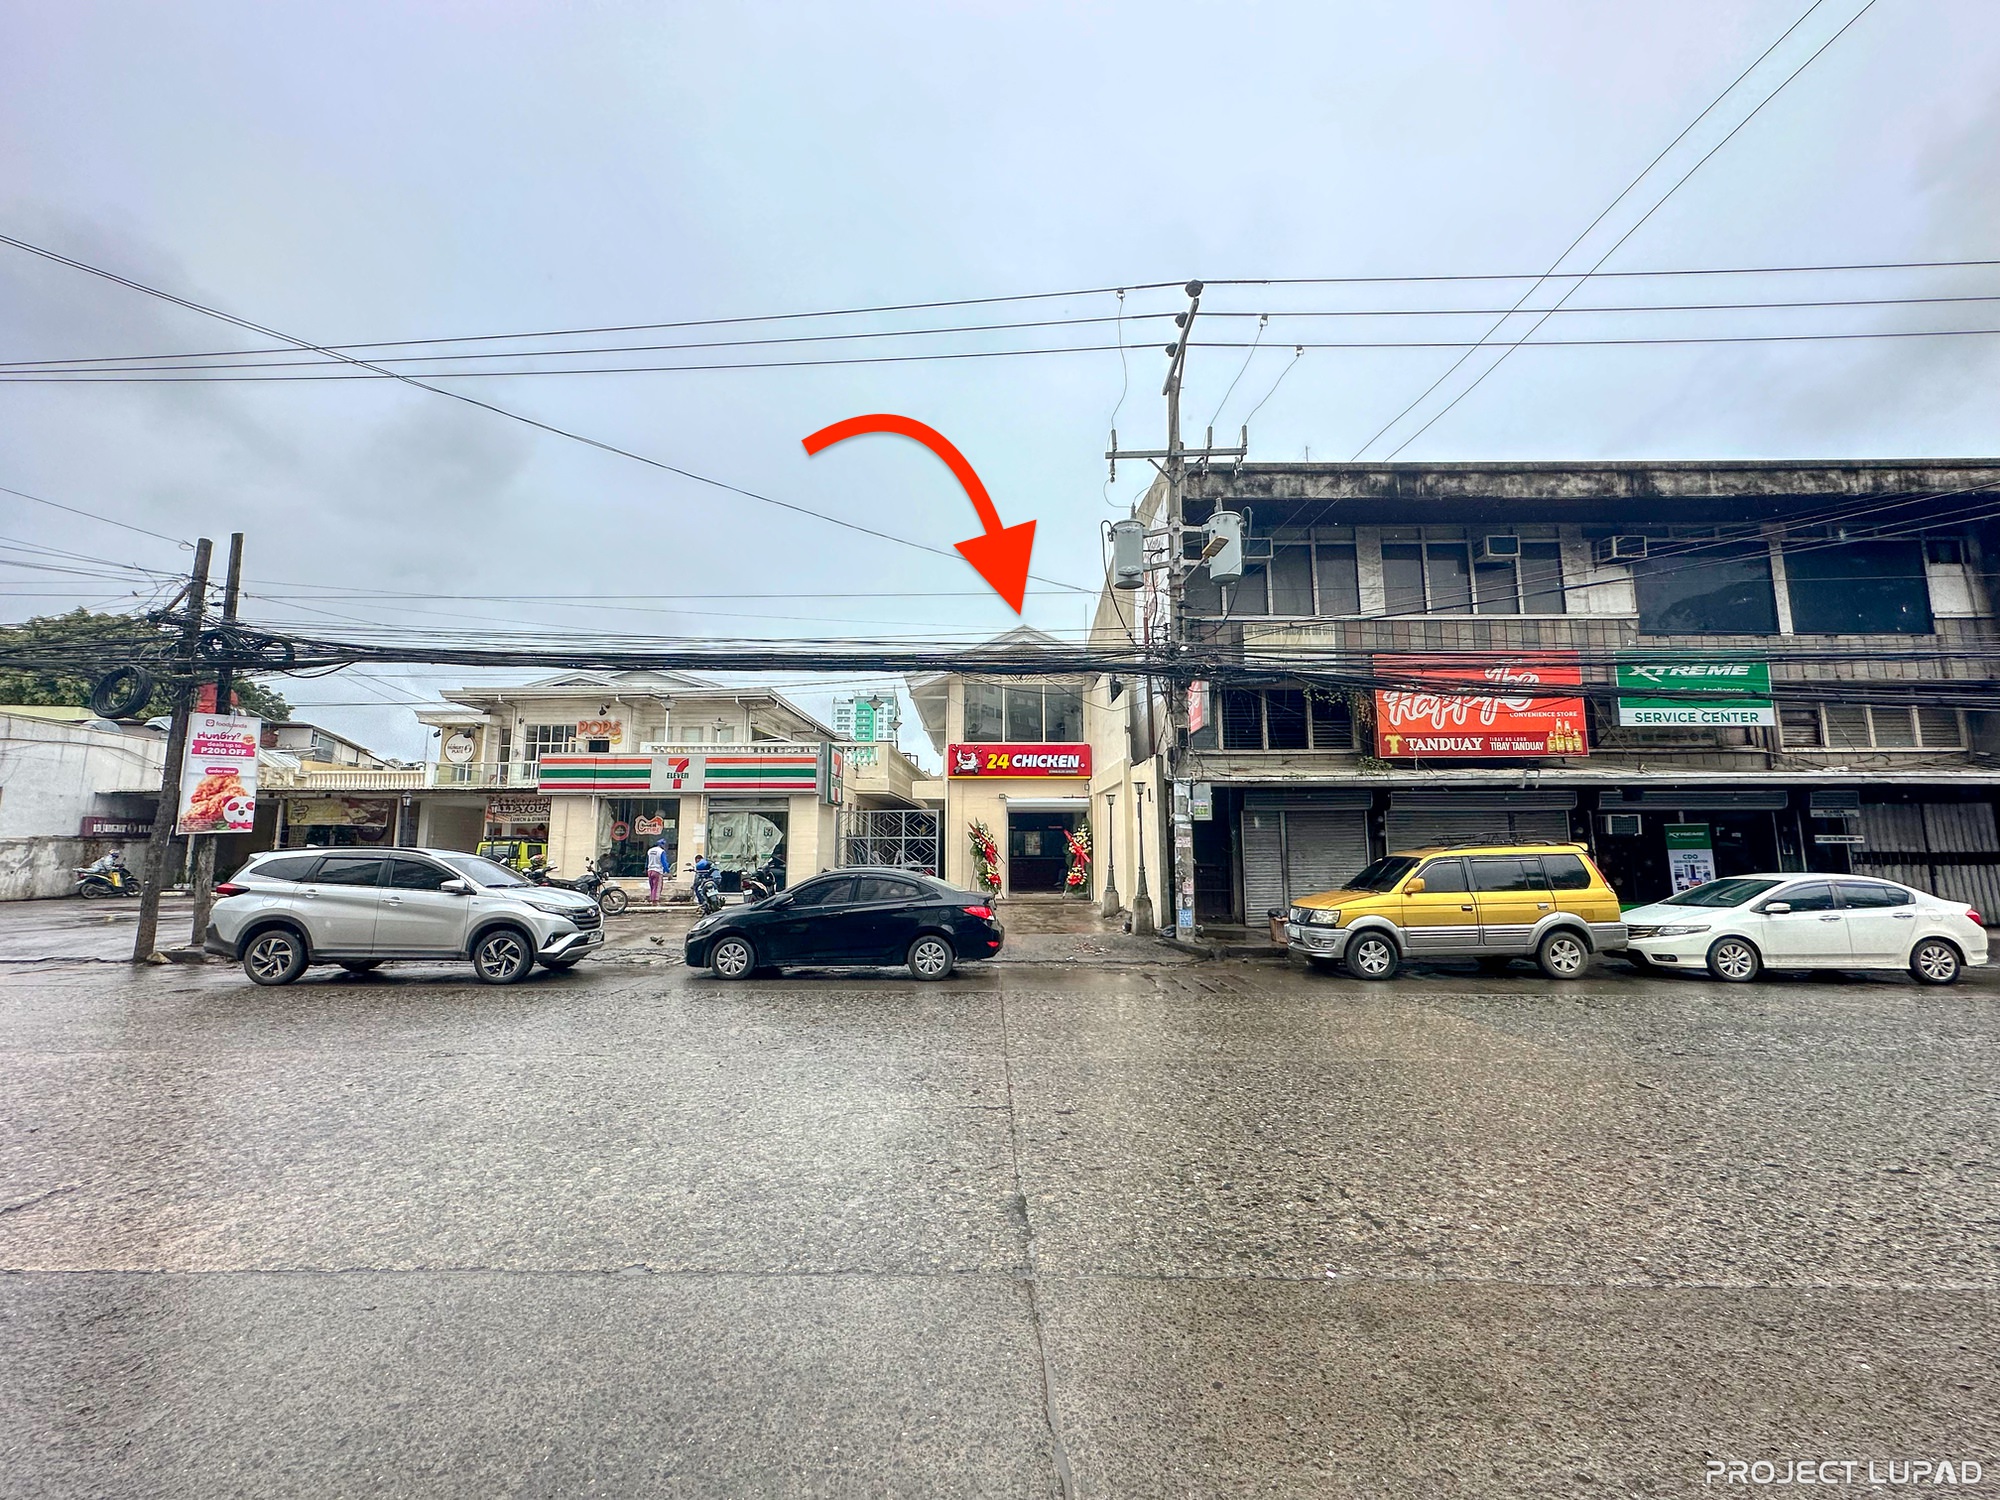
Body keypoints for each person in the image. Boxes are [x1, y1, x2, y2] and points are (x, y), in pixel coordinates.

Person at [645, 839, 668, 904]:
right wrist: (668, 871)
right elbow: (664, 862)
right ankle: (655, 901)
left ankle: (652, 899)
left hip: (650, 870)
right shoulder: (661, 851)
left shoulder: (650, 850)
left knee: (652, 886)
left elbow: (647, 861)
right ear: (662, 845)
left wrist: (646, 868)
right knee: (657, 887)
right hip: (657, 871)